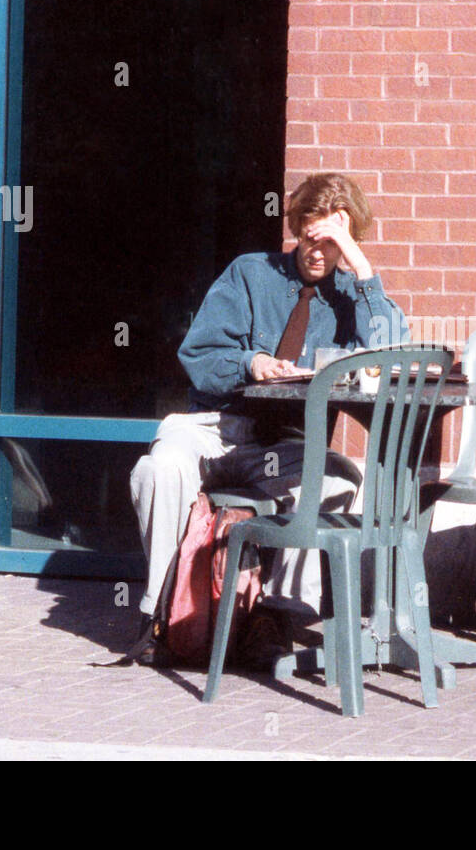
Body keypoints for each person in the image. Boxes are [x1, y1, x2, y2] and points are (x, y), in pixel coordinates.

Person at [129, 173, 407, 654]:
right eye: (307, 238)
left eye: (330, 243)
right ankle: (159, 615)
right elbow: (199, 356)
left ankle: (274, 616)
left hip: (287, 443)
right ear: (296, 231)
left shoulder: (351, 297)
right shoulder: (250, 274)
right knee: (158, 467)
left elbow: (384, 353)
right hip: (219, 425)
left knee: (336, 483)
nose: (316, 253)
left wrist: (359, 263)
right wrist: (250, 363)